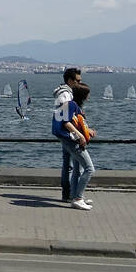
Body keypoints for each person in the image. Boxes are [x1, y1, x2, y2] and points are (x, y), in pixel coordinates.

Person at [53, 81, 94, 210]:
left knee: (77, 169)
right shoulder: (71, 105)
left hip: (71, 140)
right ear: (83, 95)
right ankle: (78, 198)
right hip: (72, 141)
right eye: (88, 94)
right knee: (89, 169)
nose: (89, 97)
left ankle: (75, 195)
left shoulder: (74, 105)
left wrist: (88, 131)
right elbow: (66, 123)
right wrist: (80, 135)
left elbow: (75, 122)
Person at [52, 68, 83, 202]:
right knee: (70, 164)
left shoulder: (64, 93)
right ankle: (69, 194)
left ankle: (69, 194)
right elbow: (66, 119)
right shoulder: (65, 95)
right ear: (70, 80)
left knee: (68, 163)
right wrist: (78, 134)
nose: (79, 83)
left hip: (64, 133)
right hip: (67, 134)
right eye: (77, 80)